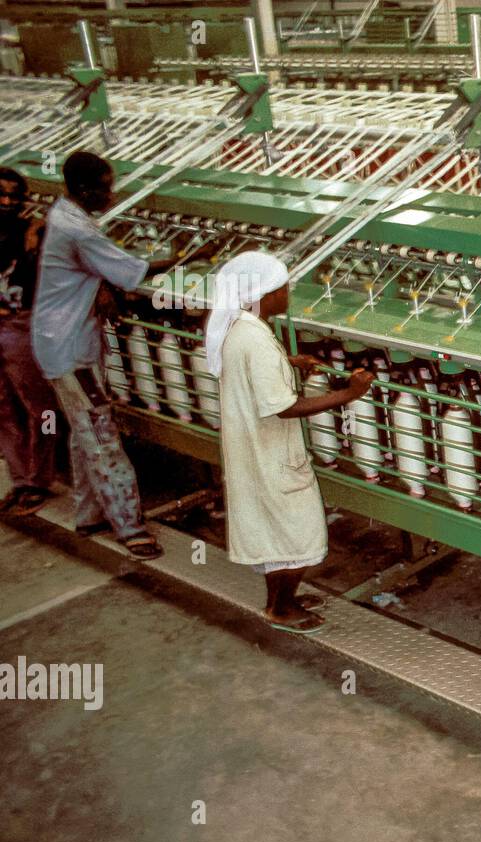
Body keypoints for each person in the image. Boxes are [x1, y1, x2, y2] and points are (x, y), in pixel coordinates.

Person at [31, 150, 217, 558]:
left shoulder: (64, 213)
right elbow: (134, 269)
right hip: (71, 351)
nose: (112, 195)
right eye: (105, 187)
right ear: (84, 189)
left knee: (83, 436)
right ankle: (130, 528)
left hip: (58, 340)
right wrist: (193, 257)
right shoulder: (79, 231)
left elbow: (93, 269)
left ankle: (89, 515)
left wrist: (99, 286)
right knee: (100, 433)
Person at [206, 250, 374, 630]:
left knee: (272, 529)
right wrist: (350, 394)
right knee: (300, 531)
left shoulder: (240, 327)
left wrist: (288, 363)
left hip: (252, 449)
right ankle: (280, 608)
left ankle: (282, 599)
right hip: (271, 453)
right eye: (283, 287)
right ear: (264, 293)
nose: (288, 293)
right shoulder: (257, 341)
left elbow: (255, 373)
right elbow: (284, 407)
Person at [0, 167, 57, 516]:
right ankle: (20, 479)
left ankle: (39, 479)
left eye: (14, 196)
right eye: (1, 195)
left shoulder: (34, 231)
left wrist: (34, 245)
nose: (7, 202)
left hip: (23, 326)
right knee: (3, 408)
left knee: (40, 406)